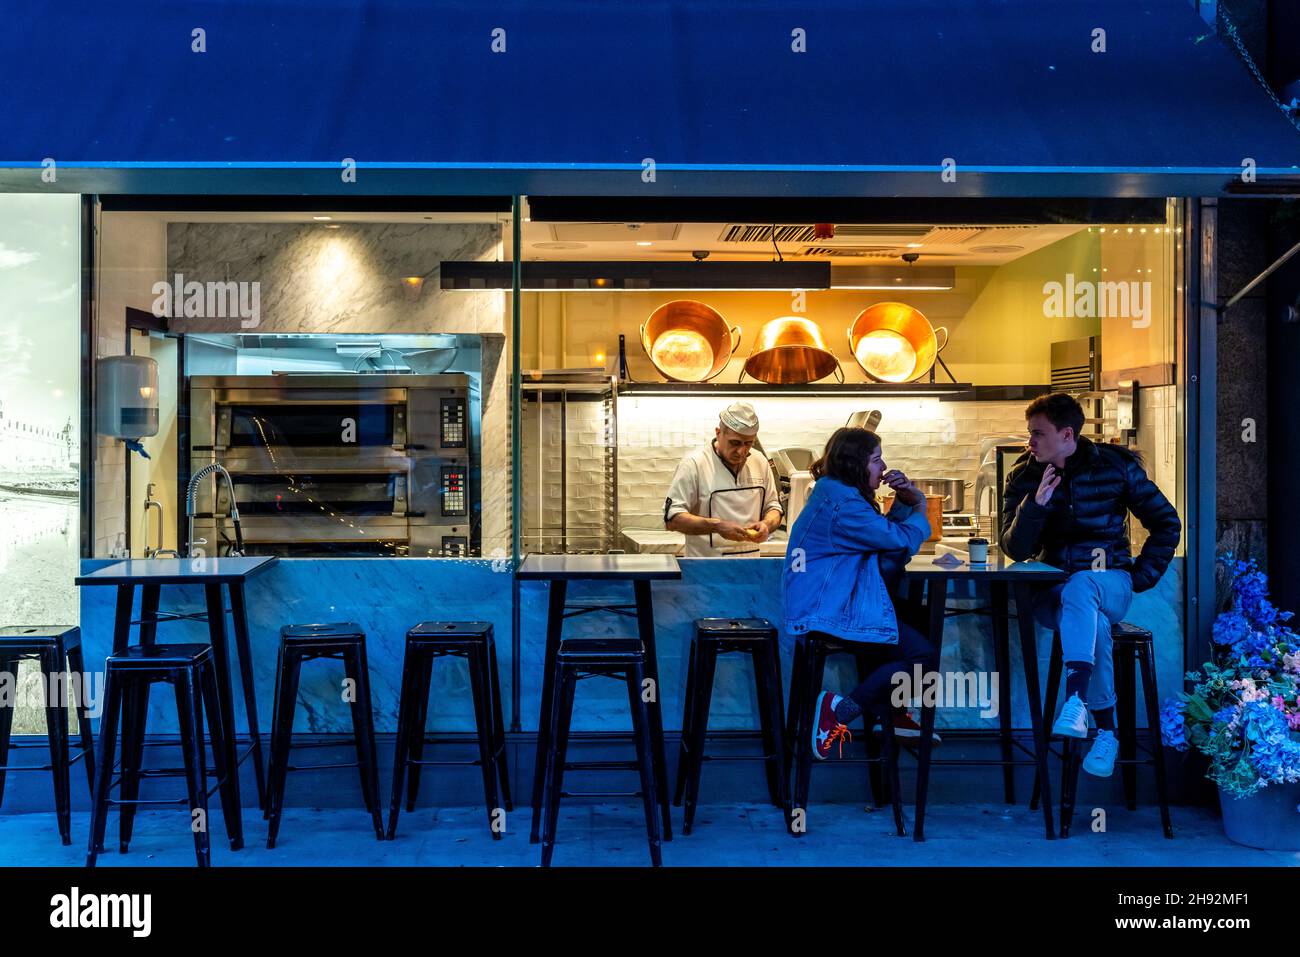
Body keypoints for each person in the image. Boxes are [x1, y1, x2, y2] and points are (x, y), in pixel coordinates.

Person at [1001, 392, 1180, 776]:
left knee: (1085, 584)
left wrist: (1140, 576)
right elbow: (1014, 549)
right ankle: (1106, 733)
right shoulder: (1024, 476)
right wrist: (1036, 505)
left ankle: (1077, 698)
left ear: (1067, 434)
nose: (1029, 442)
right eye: (1030, 433)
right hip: (1055, 594)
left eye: (1037, 434)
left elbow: (1167, 523)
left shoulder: (1114, 467)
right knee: (1091, 618)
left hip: (1110, 582)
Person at [783, 427, 940, 759]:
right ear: (855, 463)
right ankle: (838, 711)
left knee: (914, 617)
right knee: (922, 656)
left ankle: (894, 715)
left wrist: (900, 503)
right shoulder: (843, 502)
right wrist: (920, 506)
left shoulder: (838, 493)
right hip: (826, 609)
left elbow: (876, 534)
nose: (883, 468)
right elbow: (900, 540)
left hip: (840, 598)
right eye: (876, 460)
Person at [664, 401, 783, 557]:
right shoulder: (694, 464)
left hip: (750, 567)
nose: (741, 451)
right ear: (718, 432)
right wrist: (717, 526)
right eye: (735, 443)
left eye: (748, 443)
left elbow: (774, 508)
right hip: (706, 569)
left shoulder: (759, 461)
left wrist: (767, 524)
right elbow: (672, 518)